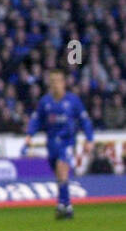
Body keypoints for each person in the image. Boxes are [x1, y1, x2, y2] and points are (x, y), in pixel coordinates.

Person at [23, 69, 95, 219]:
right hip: (52, 143)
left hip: (68, 141)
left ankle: (64, 205)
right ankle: (65, 204)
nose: (55, 84)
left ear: (63, 83)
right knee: (59, 174)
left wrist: (89, 139)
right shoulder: (45, 102)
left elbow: (84, 120)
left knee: (62, 167)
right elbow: (36, 120)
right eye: (52, 81)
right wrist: (30, 135)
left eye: (58, 81)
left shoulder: (73, 101)